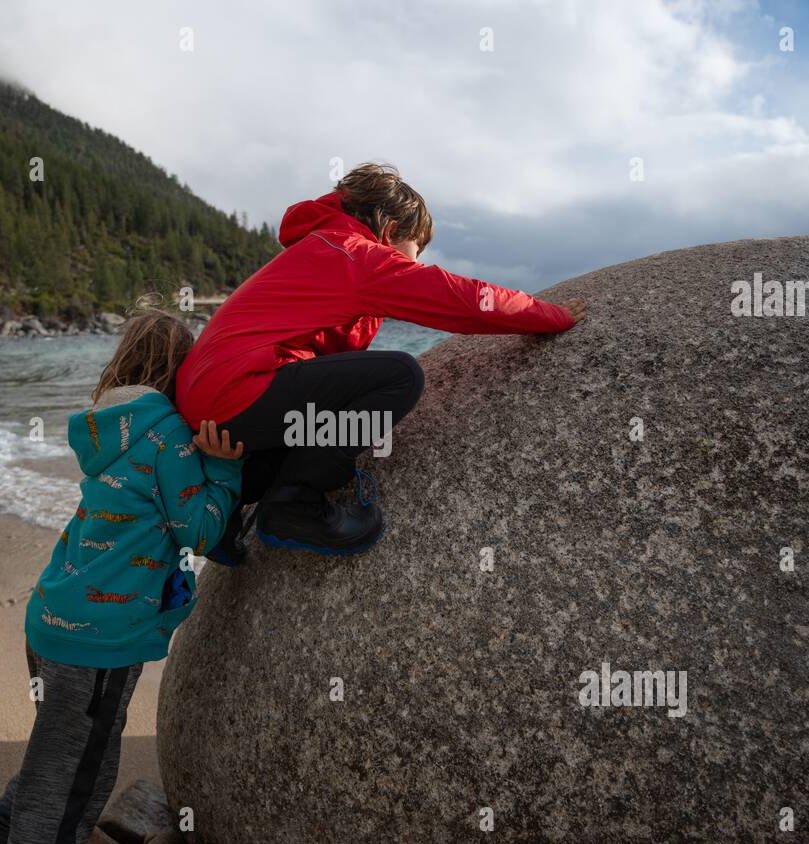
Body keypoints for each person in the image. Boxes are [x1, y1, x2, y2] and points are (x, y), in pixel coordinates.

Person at [0, 307, 243, 844]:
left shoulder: (106, 425)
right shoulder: (172, 438)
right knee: (74, 783)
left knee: (53, 759)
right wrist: (226, 469)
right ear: (185, 372)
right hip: (98, 643)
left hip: (51, 618)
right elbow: (201, 531)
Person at [176, 162, 587, 560]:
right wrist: (553, 315)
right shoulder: (356, 255)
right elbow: (462, 300)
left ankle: (222, 516)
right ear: (391, 231)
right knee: (399, 376)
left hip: (209, 402)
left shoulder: (318, 249)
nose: (415, 264)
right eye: (414, 252)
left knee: (326, 415)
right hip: (240, 391)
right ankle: (295, 505)